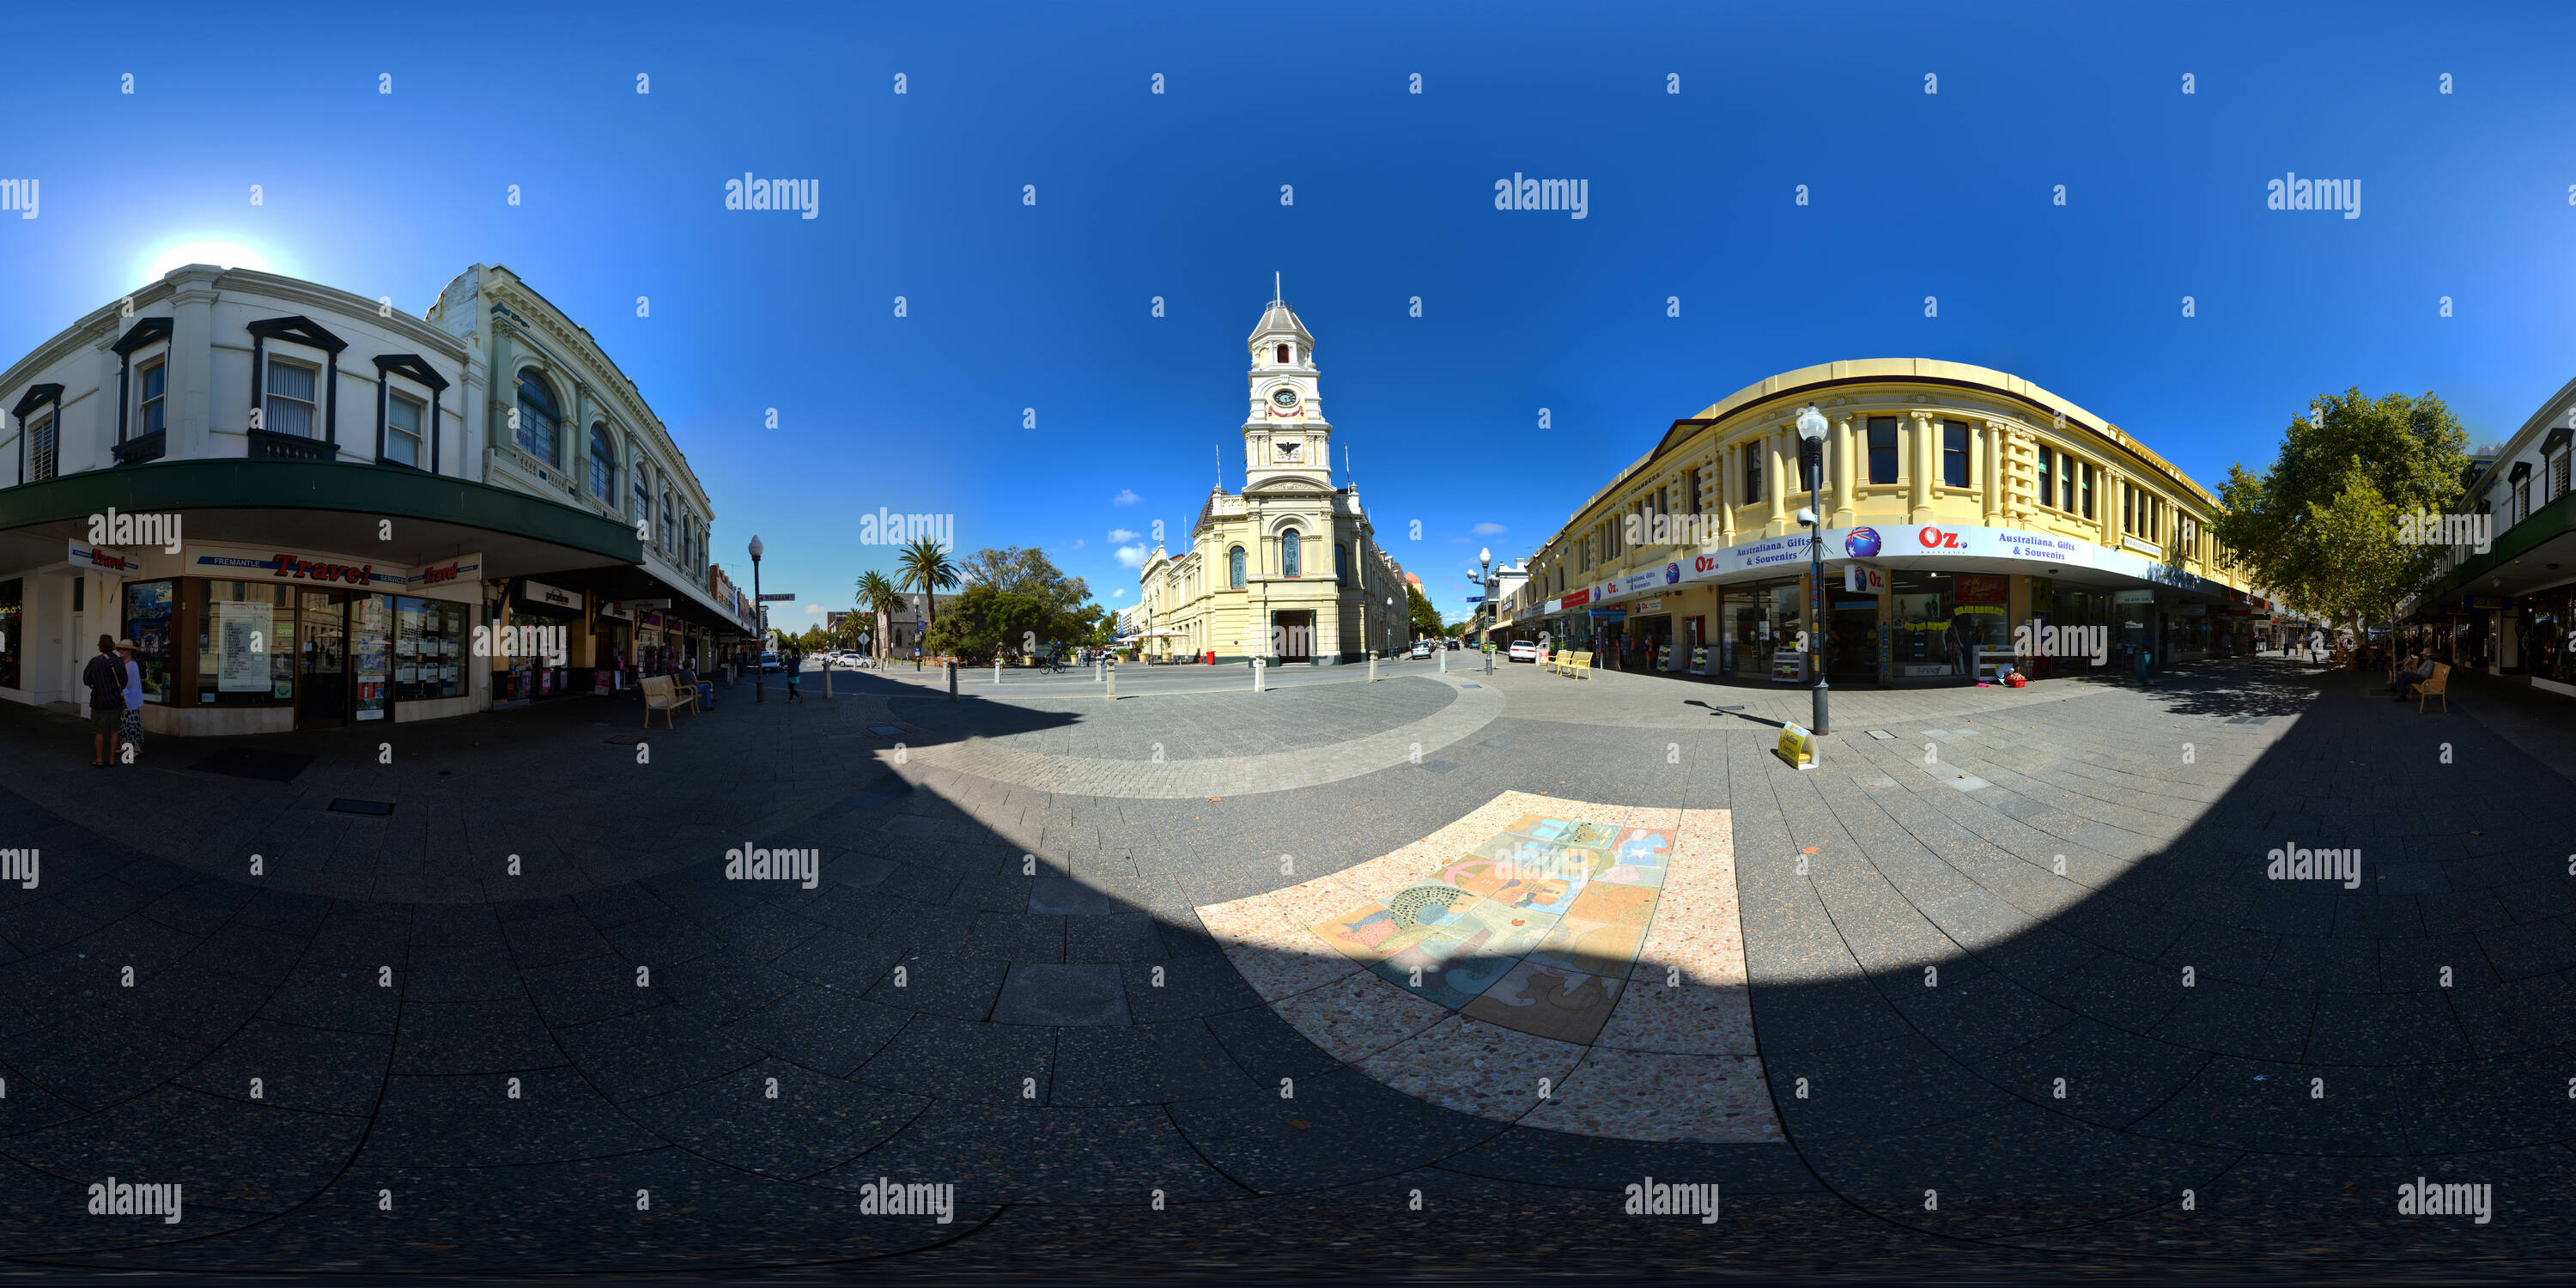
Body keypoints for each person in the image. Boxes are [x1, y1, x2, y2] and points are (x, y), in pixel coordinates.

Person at [82, 635, 123, 768]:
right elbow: (124, 681)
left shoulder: (95, 661)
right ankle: (111, 759)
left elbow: (86, 679)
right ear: (112, 645)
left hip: (99, 700)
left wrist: (96, 685)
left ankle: (99, 759)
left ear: (100, 646)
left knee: (99, 731)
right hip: (115, 701)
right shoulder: (118, 661)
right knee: (114, 731)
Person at [116, 639, 146, 762]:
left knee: (132, 724)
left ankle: (137, 748)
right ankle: (127, 747)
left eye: (125, 649)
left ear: (130, 652)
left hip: (130, 699)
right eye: (120, 649)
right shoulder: (124, 663)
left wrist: (121, 694)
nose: (121, 651)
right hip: (126, 699)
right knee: (124, 724)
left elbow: (126, 684)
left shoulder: (131, 665)